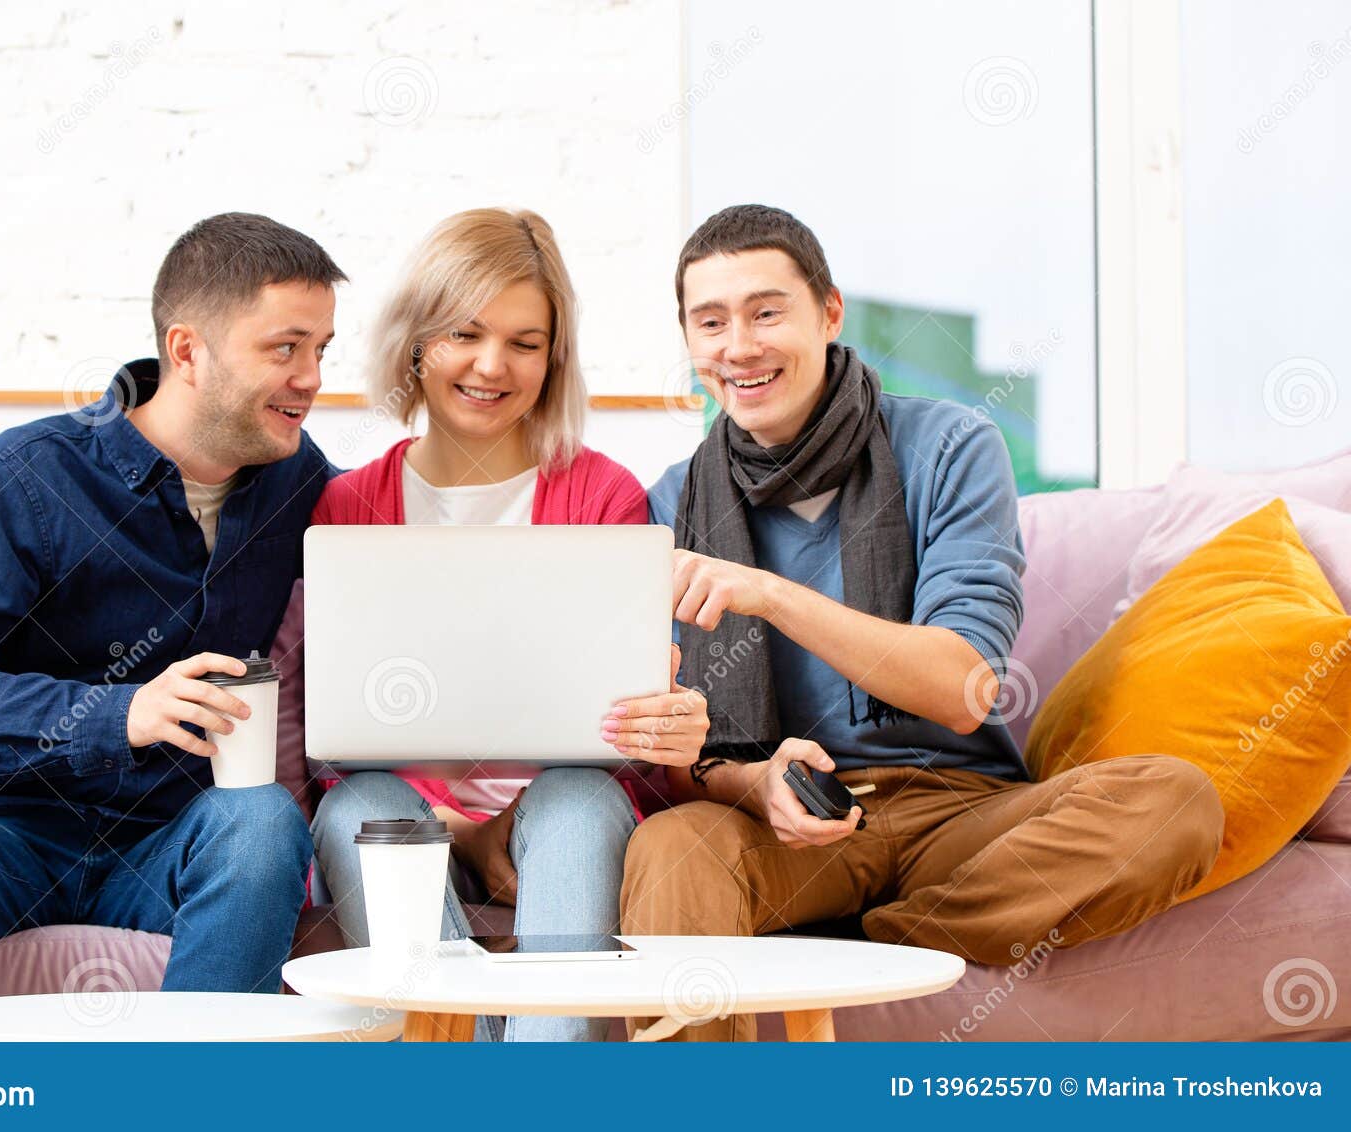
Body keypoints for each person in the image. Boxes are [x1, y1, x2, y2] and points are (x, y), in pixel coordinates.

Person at [620, 204, 1224, 1040]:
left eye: (767, 312)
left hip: (956, 813)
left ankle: (866, 947)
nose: (739, 346)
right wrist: (753, 784)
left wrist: (770, 593)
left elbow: (963, 688)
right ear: (689, 340)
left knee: (1175, 801)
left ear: (829, 313)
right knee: (671, 848)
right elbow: (679, 748)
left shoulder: (948, 447)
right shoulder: (669, 503)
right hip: (790, 827)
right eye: (711, 322)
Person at [0, 213, 345, 1041]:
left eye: (323, 349)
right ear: (187, 352)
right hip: (2, 834)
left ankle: (182, 1107)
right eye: (286, 349)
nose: (313, 377)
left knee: (262, 822)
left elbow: (396, 541)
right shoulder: (25, 477)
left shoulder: (297, 483)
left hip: (169, 844)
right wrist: (120, 715)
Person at [309, 207, 708, 1041]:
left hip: (563, 813)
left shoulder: (603, 497)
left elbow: (621, 729)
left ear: (553, 358)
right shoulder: (349, 506)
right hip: (411, 821)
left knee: (573, 802)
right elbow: (333, 730)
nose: (494, 366)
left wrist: (665, 721)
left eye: (526, 343)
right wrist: (465, 831)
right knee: (354, 812)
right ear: (418, 343)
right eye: (465, 333)